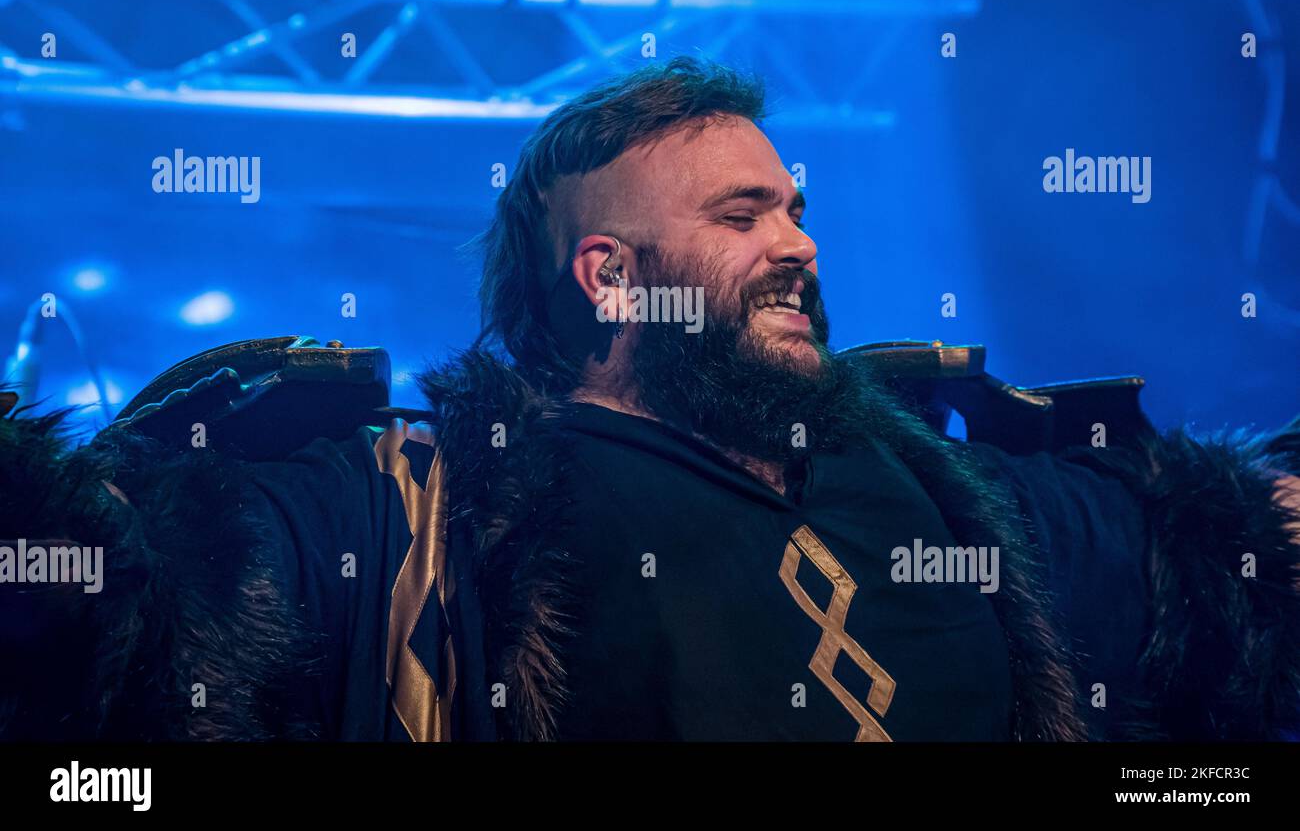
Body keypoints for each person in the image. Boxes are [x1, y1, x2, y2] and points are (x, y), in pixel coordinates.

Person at [3, 57, 1298, 742]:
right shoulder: (424, 506)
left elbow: (1222, 541)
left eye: (796, 210)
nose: (799, 244)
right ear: (610, 276)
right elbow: (123, 600)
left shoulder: (948, 493)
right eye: (744, 216)